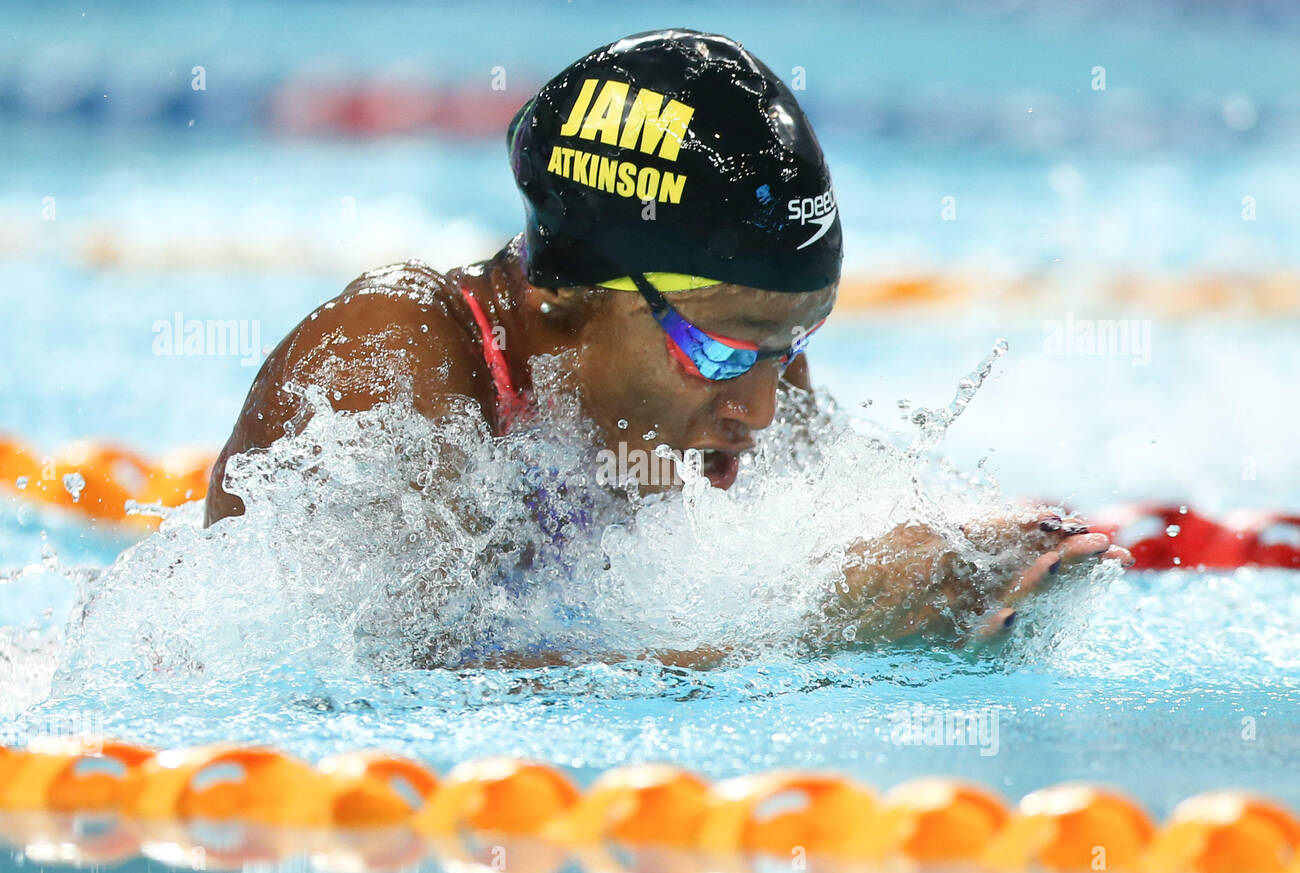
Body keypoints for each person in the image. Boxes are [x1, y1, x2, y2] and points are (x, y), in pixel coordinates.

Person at [204, 28, 1130, 653]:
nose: (762, 409)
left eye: (792, 345)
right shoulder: (393, 368)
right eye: (725, 351)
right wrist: (820, 628)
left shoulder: (746, 377)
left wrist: (959, 579)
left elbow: (845, 535)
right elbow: (368, 695)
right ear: (570, 295)